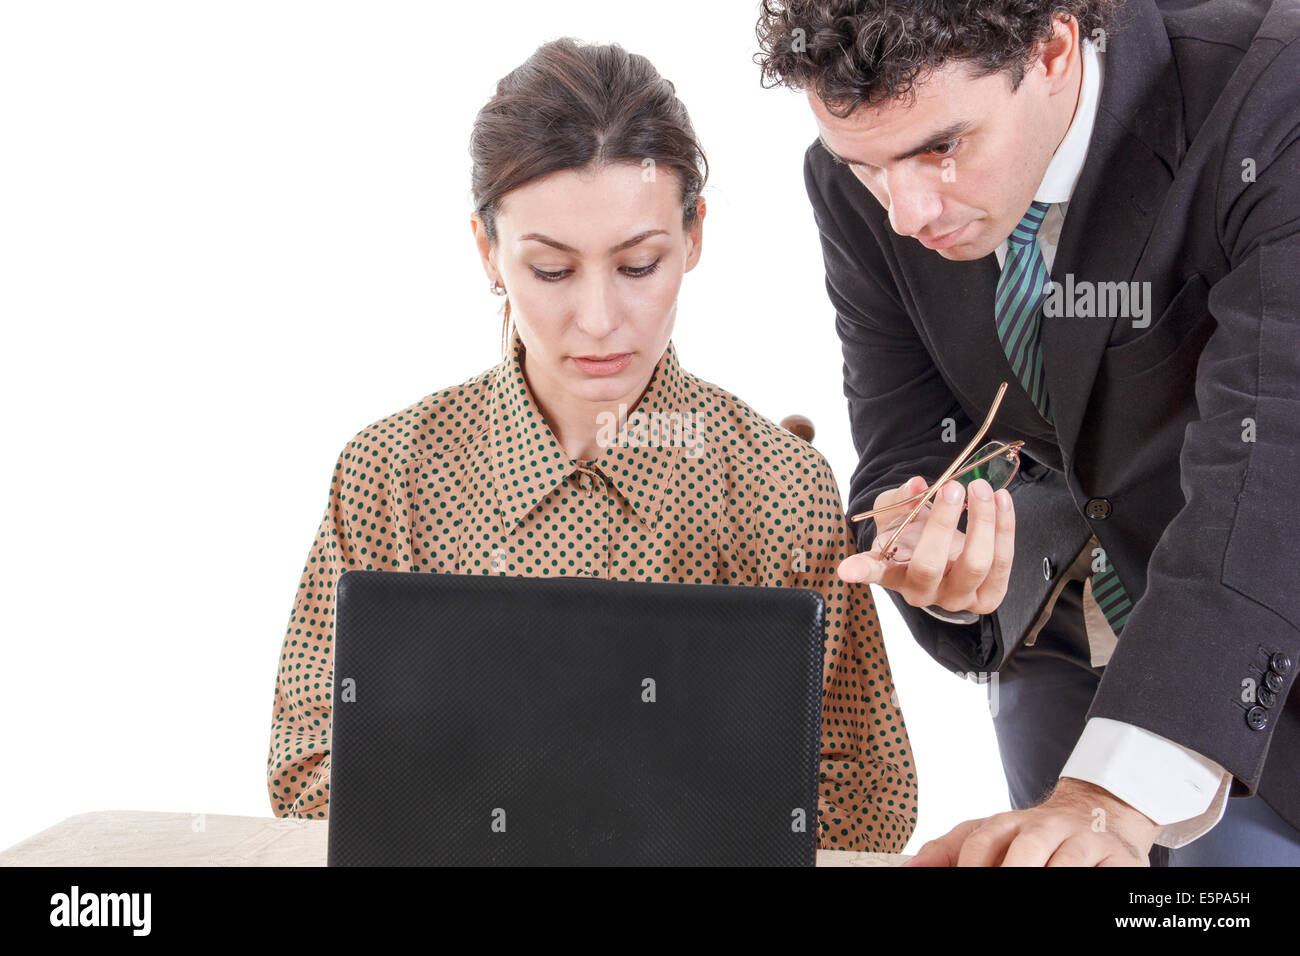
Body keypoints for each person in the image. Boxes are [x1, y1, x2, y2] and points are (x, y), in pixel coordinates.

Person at [266, 36, 917, 853]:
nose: (602, 321)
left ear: (694, 238)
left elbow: (868, 796)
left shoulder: (779, 486)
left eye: (640, 265)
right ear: (487, 251)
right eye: (552, 270)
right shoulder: (389, 473)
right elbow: (306, 767)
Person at [755, 0, 1300, 866]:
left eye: (942, 148)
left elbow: (1274, 467)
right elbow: (907, 428)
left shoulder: (1274, 94)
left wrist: (1110, 796)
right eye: (866, 165)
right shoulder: (862, 183)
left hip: (1251, 647)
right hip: (1058, 632)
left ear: (1052, 47)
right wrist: (929, 532)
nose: (904, 213)